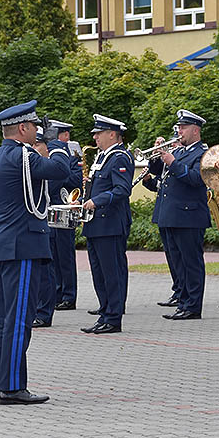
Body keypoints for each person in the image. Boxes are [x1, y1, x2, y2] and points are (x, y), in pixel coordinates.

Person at [0, 100, 70, 404]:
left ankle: (2, 384)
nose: (38, 132)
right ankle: (13, 388)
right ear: (22, 128)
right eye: (34, 127)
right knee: (19, 320)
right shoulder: (23, 157)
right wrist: (57, 143)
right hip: (23, 246)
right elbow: (61, 170)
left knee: (2, 321)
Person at [149, 110, 210, 320]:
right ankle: (183, 302)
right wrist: (158, 154)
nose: (179, 131)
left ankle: (193, 306)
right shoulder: (181, 151)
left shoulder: (202, 153)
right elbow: (156, 171)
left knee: (191, 263)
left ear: (195, 130)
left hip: (189, 216)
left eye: (183, 128)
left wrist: (172, 162)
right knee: (178, 262)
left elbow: (195, 179)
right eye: (179, 127)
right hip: (173, 216)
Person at [80, 115, 134, 334]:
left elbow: (122, 189)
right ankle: (104, 313)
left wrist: (97, 200)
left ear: (112, 134)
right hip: (96, 224)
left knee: (112, 273)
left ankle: (113, 317)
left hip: (110, 223)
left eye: (98, 133)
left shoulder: (119, 157)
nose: (95, 137)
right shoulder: (103, 156)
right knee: (99, 272)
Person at [33, 124, 73, 328]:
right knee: (44, 269)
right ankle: (43, 306)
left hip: (53, 218)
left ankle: (46, 311)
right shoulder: (34, 163)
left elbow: (60, 180)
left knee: (53, 266)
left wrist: (56, 147)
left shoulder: (52, 164)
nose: (34, 148)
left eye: (37, 144)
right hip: (40, 221)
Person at [48, 119, 82, 313]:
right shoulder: (49, 153)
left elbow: (76, 178)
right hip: (50, 207)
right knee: (52, 254)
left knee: (65, 254)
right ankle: (56, 294)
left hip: (65, 208)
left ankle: (69, 296)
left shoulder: (73, 154)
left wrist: (59, 173)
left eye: (56, 135)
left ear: (65, 136)